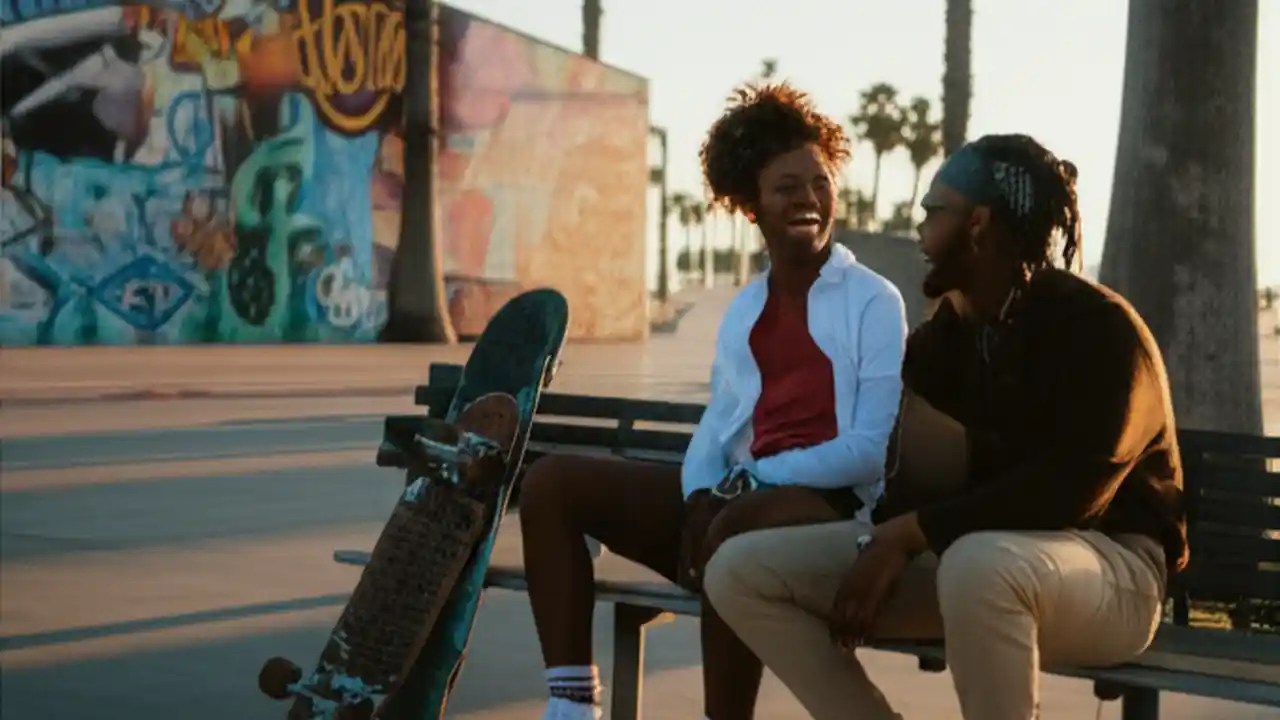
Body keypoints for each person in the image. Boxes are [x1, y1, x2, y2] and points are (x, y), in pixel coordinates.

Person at [703, 133, 1189, 720]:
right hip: (970, 562)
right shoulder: (948, 339)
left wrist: (911, 534)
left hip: (1115, 575)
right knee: (740, 572)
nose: (920, 232)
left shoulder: (1099, 328)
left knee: (979, 565)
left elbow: (1072, 492)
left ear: (978, 224)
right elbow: (896, 462)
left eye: (933, 213)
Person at [517, 82, 908, 720]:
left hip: (835, 512)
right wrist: (703, 494)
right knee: (551, 484)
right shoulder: (745, 309)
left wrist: (749, 486)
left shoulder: (872, 301)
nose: (808, 198)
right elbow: (718, 425)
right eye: (787, 187)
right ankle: (571, 706)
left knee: (730, 540)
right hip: (743, 498)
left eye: (819, 182)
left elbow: (867, 454)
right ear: (751, 204)